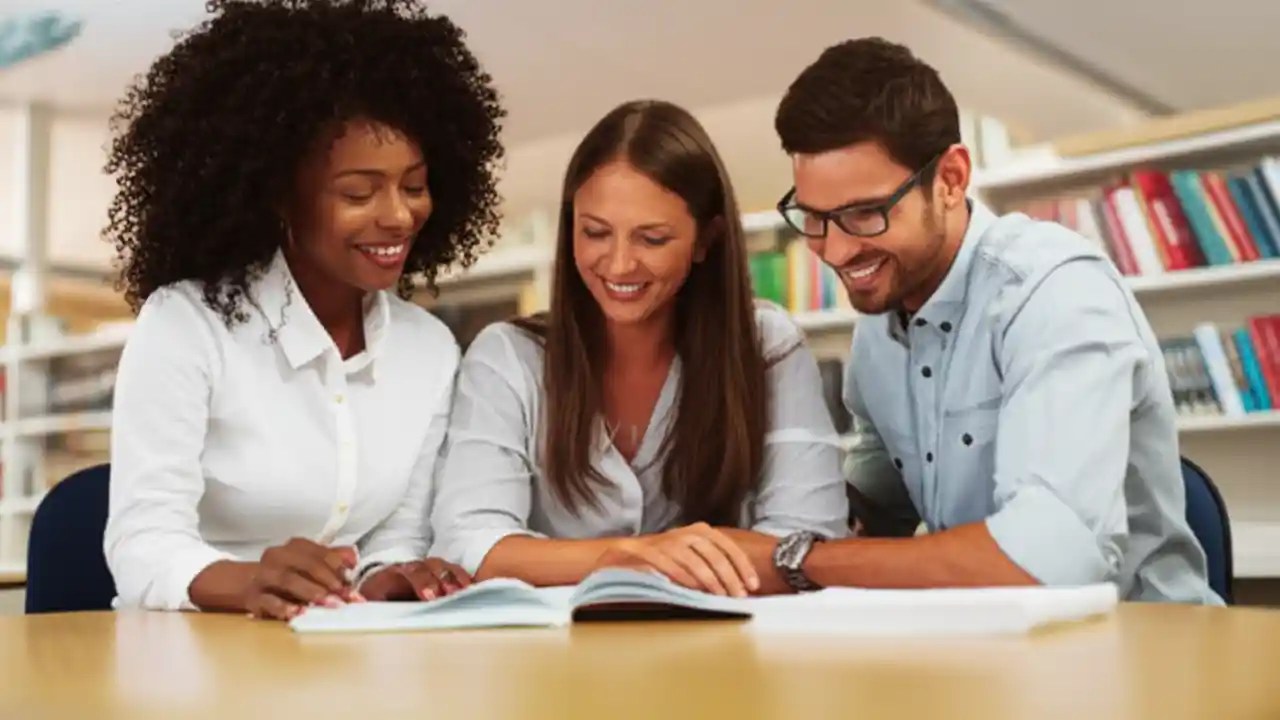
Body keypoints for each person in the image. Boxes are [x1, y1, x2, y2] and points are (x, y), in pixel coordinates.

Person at [743, 37, 1220, 603]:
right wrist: (783, 503)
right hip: (986, 651)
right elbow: (883, 500)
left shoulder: (1053, 291)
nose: (836, 251)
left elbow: (1049, 559)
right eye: (815, 218)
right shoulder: (882, 320)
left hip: (1136, 648)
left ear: (950, 178)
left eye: (864, 214)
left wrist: (801, 560)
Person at [102, 0, 505, 620]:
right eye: (358, 192)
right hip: (190, 660)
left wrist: (392, 576)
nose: (398, 215)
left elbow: (394, 535)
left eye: (415, 185)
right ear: (280, 196)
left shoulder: (430, 351)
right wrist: (246, 580)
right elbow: (142, 542)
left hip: (339, 658)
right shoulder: (187, 326)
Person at [430, 100, 849, 597]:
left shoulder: (764, 345)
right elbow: (469, 545)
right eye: (595, 233)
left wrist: (581, 560)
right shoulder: (508, 358)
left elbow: (807, 541)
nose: (620, 264)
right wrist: (620, 557)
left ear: (705, 240)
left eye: (651, 239)